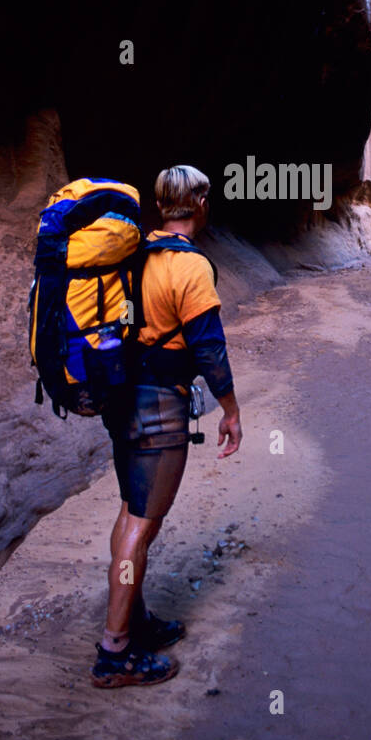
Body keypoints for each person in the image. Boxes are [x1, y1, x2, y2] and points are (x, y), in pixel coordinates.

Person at [90, 165, 242, 688]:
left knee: (131, 510)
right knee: (142, 525)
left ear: (160, 207)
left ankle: (134, 619)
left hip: (123, 399)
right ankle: (115, 653)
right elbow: (208, 347)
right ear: (199, 202)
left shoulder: (135, 255)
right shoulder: (191, 268)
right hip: (160, 407)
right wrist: (231, 410)